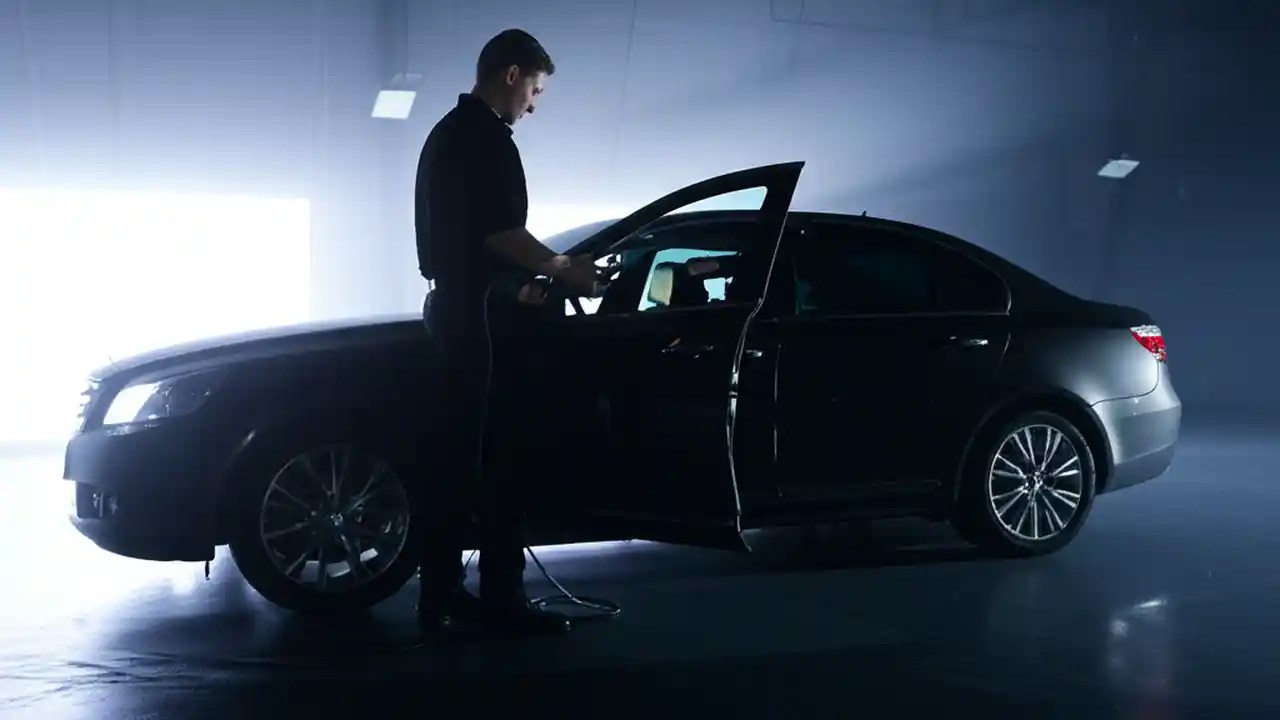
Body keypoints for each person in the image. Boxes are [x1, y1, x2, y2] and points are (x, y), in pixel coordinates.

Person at [413, 28, 600, 638]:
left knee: (456, 460)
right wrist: (564, 268)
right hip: (479, 323)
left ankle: (442, 598)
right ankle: (502, 601)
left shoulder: (447, 133)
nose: (534, 105)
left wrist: (517, 284)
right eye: (536, 90)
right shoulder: (483, 138)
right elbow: (500, 233)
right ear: (512, 74)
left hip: (456, 310)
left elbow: (470, 241)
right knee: (499, 458)